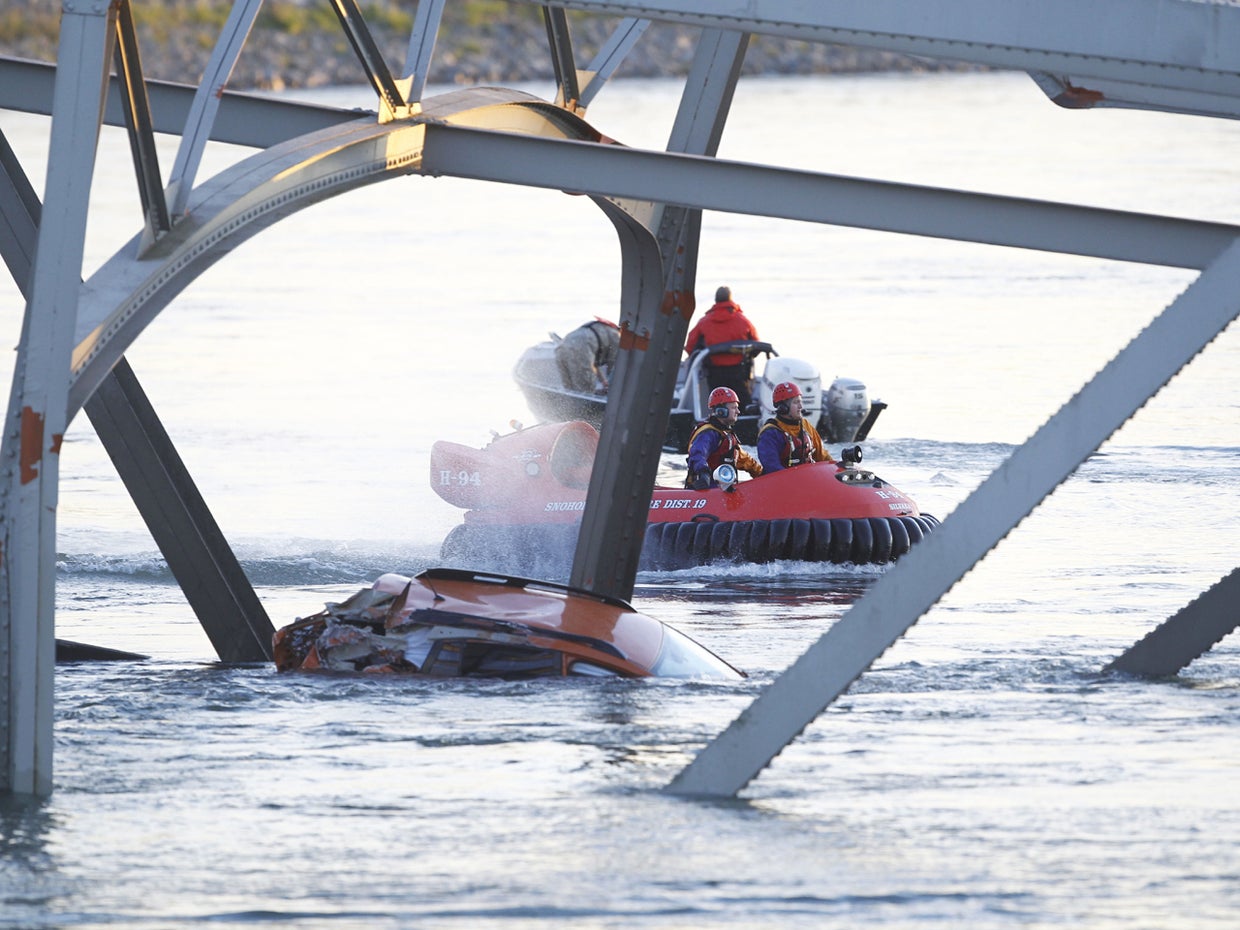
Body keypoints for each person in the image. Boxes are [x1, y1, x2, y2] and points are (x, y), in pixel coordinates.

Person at [683, 286, 760, 409]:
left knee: (717, 403)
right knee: (743, 402)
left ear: (716, 301)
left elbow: (690, 348)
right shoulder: (743, 321)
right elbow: (756, 345)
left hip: (714, 374)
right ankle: (746, 417)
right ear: (731, 299)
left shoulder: (704, 322)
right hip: (739, 373)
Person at [685, 387, 763, 490]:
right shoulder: (708, 434)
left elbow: (745, 460)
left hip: (724, 491)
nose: (738, 411)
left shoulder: (728, 436)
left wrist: (762, 473)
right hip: (707, 491)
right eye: (734, 408)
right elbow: (697, 454)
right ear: (721, 411)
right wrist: (703, 473)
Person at [757, 381, 835, 473]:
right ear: (783, 408)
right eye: (796, 402)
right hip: (784, 483)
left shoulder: (805, 425)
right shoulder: (770, 434)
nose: (801, 406)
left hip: (810, 478)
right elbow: (772, 468)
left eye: (800, 402)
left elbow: (822, 456)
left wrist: (834, 468)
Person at [554, 318, 621, 394]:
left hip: (562, 345)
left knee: (569, 390)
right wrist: (611, 387)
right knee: (585, 391)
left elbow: (593, 363)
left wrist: (603, 381)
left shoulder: (603, 328)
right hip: (581, 347)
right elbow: (613, 367)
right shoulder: (617, 337)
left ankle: (568, 405)